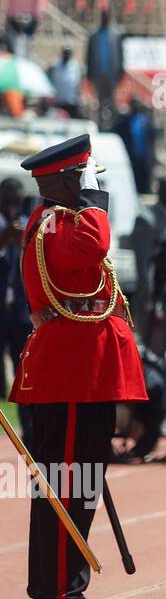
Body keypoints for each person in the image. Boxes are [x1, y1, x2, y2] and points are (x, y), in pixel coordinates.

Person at [10, 134, 147, 599]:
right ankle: (60, 597)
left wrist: (86, 199)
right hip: (70, 372)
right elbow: (93, 246)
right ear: (66, 180)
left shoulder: (62, 222)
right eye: (85, 178)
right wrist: (92, 204)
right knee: (69, 485)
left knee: (77, 483)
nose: (92, 189)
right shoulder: (57, 226)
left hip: (83, 372)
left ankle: (58, 591)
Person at [0, 177, 32, 444]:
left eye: (16, 200)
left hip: (20, 313)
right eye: (8, 199)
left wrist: (23, 242)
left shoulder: (28, 222)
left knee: (24, 374)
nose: (12, 205)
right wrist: (3, 240)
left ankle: (28, 431)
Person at [131, 173, 166, 326]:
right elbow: (144, 264)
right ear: (161, 192)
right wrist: (149, 300)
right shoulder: (146, 219)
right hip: (154, 296)